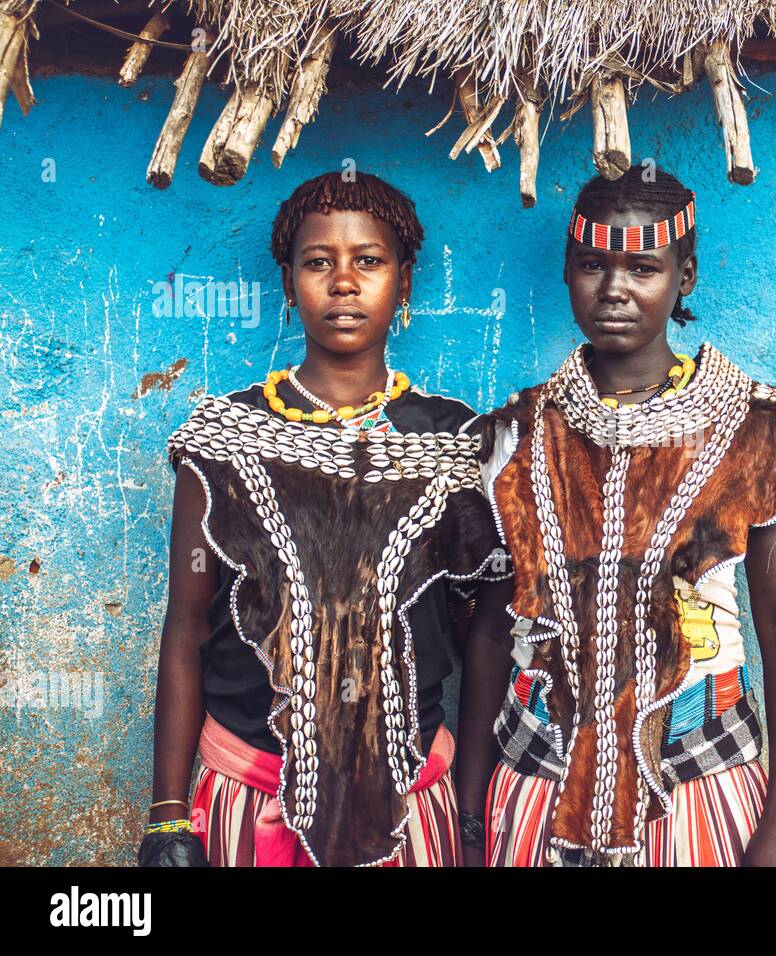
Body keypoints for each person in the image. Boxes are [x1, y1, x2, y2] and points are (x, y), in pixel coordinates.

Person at [456, 167, 776, 867]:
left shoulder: (757, 430)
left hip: (700, 774)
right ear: (568, 272)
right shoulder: (515, 435)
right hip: (537, 777)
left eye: (643, 268)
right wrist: (470, 803)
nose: (615, 289)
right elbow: (489, 628)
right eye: (592, 265)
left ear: (684, 275)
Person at [140, 171, 512, 867]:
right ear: (289, 283)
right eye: (318, 263)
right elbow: (186, 627)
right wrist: (166, 817)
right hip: (251, 794)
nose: (344, 282)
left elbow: (486, 629)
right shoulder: (224, 440)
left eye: (368, 261)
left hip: (411, 804)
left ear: (404, 282)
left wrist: (470, 812)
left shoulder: (457, 443)